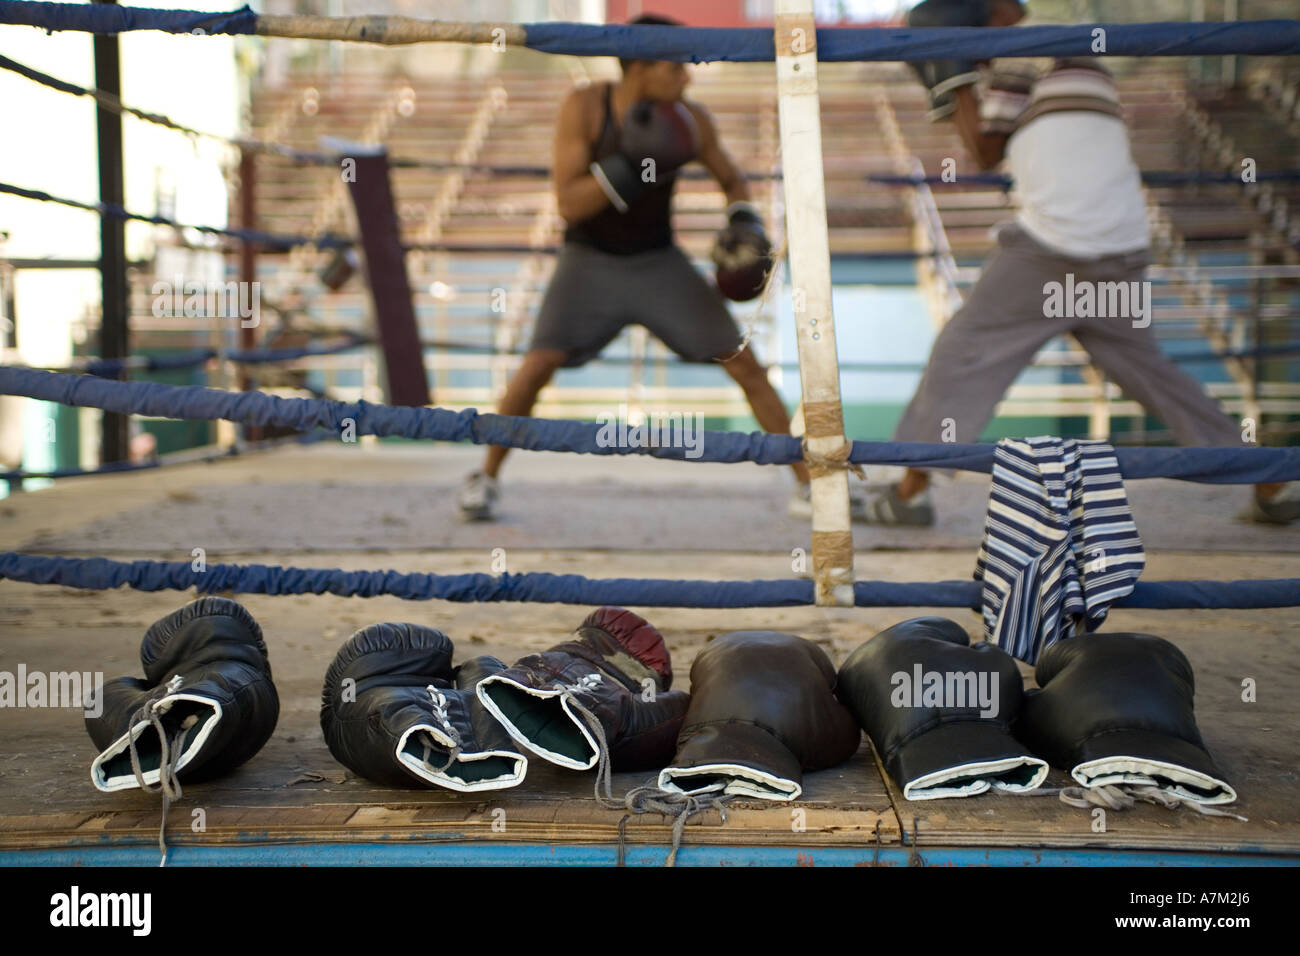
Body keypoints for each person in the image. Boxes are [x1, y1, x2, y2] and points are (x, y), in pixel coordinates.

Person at [863, 0, 1296, 526]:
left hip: (1053, 249)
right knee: (1153, 376)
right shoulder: (1084, 57)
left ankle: (909, 495)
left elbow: (982, 149)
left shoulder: (1019, 53)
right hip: (1121, 246)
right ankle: (1270, 483)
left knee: (963, 354)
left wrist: (949, 81)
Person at [458, 14, 846, 522]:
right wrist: (627, 165)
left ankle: (807, 485)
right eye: (675, 66)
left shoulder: (689, 118)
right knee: (537, 364)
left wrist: (742, 224)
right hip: (587, 263)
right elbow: (569, 205)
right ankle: (484, 478)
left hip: (659, 262)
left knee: (744, 363)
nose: (686, 75)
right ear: (638, 66)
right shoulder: (585, 107)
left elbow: (732, 180)